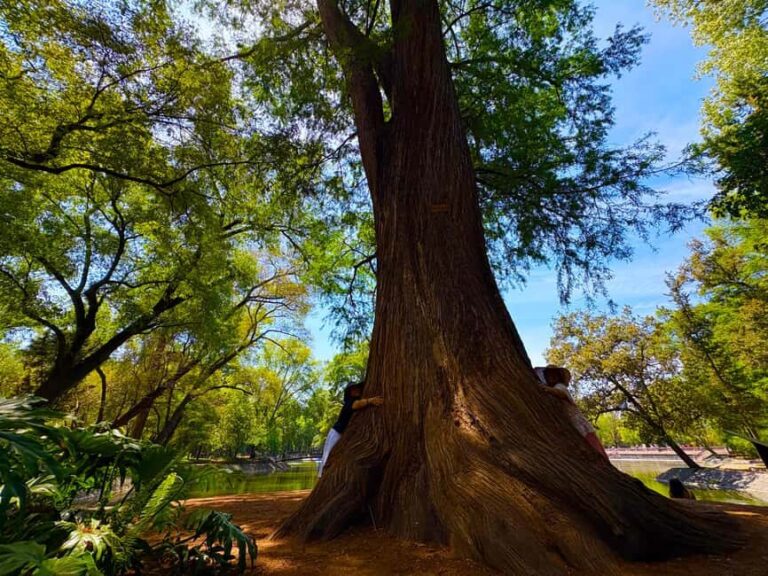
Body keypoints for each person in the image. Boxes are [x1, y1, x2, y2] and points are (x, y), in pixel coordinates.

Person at [535, 365, 609, 459]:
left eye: (554, 374)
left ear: (559, 377)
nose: (551, 377)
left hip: (578, 423)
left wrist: (546, 389)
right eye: (548, 375)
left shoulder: (559, 386)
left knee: (593, 446)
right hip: (571, 423)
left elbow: (560, 393)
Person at [317, 382, 383, 477]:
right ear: (349, 392)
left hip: (341, 433)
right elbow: (357, 405)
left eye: (357, 388)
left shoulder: (354, 400)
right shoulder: (349, 402)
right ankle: (322, 476)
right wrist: (370, 401)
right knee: (328, 456)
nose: (356, 390)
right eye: (353, 389)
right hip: (336, 433)